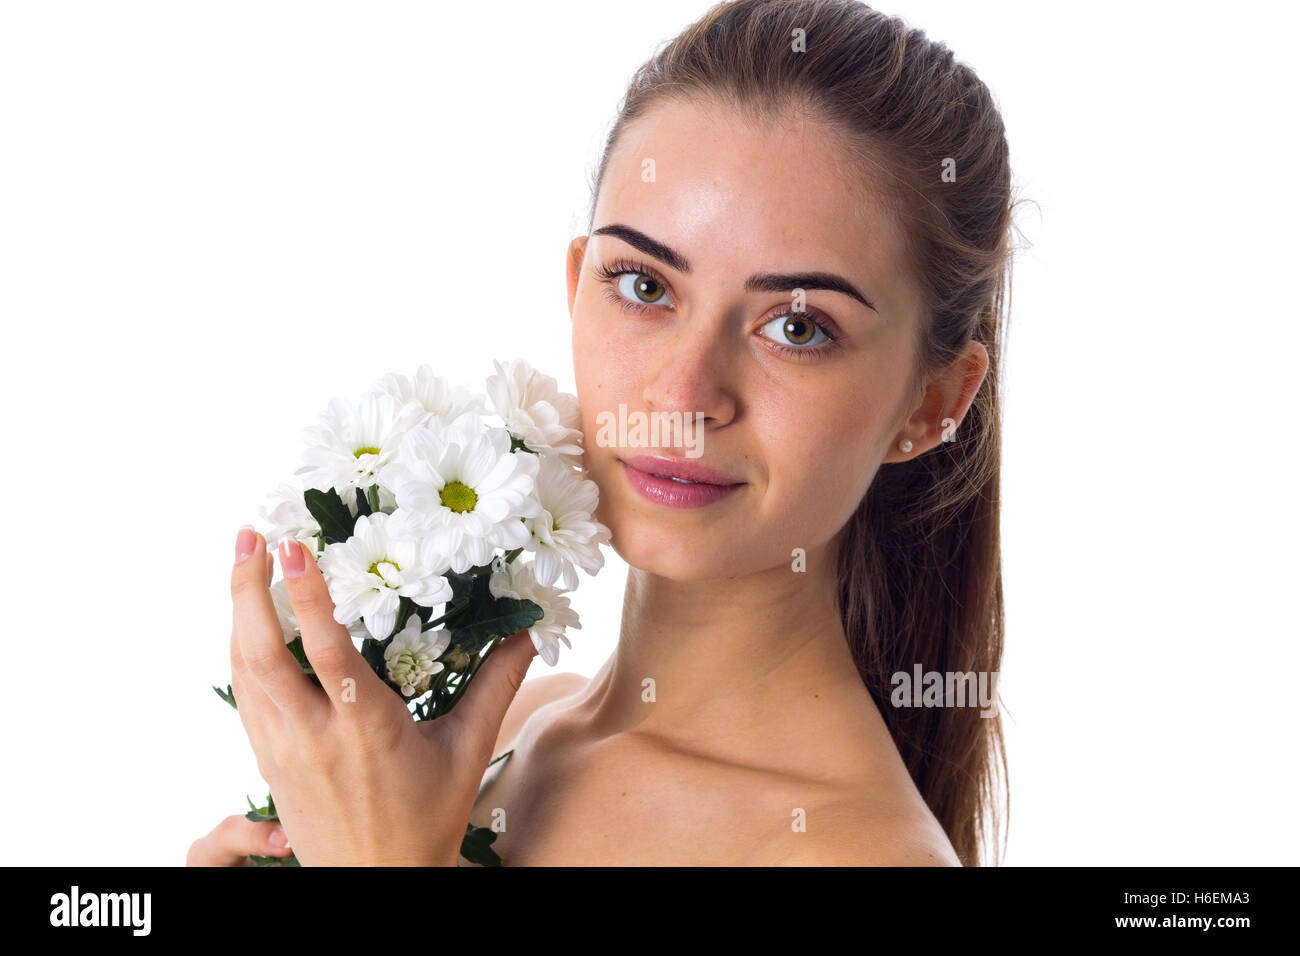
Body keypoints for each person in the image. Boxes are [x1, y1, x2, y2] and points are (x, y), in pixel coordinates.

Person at [189, 0, 1018, 867]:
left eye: (797, 328)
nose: (683, 394)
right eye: (646, 286)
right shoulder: (503, 728)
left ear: (934, 402)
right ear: (581, 282)